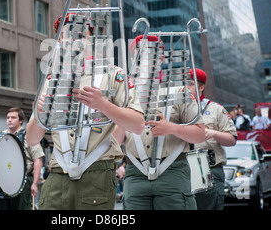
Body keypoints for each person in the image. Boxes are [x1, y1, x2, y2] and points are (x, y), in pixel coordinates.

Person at [26, 14, 144, 210]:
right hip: (57, 173)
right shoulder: (50, 81)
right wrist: (40, 115)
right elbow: (31, 139)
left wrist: (103, 105)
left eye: (80, 35)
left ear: (91, 39)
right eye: (66, 36)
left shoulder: (113, 74)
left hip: (96, 173)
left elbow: (138, 125)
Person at [114, 35, 205, 210]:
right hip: (135, 173)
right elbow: (115, 143)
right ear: (134, 59)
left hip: (172, 172)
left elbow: (200, 135)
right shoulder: (124, 95)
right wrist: (123, 117)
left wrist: (171, 128)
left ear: (161, 58)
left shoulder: (180, 91)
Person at [187, 69, 237, 210]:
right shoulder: (175, 110)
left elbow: (232, 139)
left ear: (201, 87)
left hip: (209, 169)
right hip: (182, 170)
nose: (185, 87)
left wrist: (213, 133)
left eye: (190, 84)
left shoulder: (215, 109)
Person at [0, 107, 44, 210]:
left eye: (13, 117)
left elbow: (38, 160)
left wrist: (35, 183)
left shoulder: (29, 136)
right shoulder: (1, 136)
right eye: (8, 117)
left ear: (21, 121)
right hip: (3, 181)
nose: (9, 120)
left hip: (24, 180)